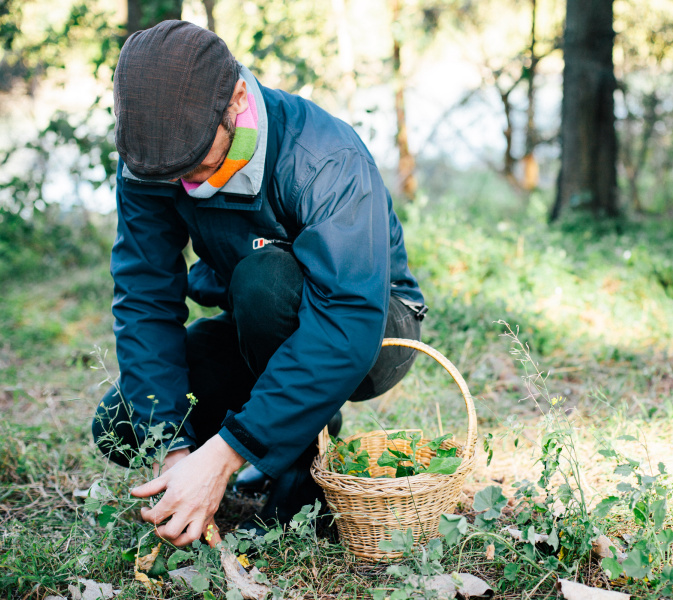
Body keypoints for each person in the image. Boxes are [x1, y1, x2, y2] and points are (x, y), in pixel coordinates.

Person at [91, 20, 426, 547]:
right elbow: (144, 295)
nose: (188, 183)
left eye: (200, 163)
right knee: (124, 422)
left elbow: (347, 319)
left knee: (264, 278)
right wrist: (174, 446)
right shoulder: (151, 156)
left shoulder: (323, 158)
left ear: (237, 100)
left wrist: (227, 451)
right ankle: (262, 437)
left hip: (373, 326)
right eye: (172, 174)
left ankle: (301, 471)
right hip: (254, 321)